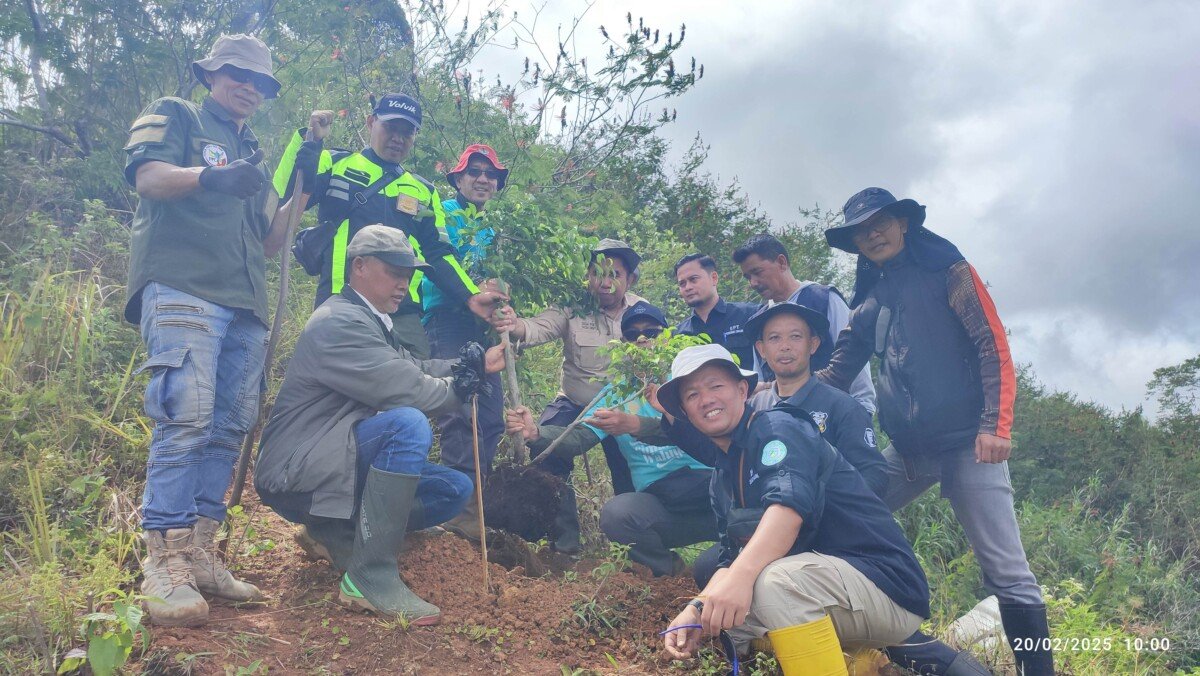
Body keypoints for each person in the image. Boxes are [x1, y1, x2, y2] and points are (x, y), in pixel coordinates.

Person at [818, 187, 1052, 674]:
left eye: (881, 222)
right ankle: (901, 643)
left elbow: (993, 346)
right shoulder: (871, 296)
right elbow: (839, 369)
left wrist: (996, 425)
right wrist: (775, 395)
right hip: (905, 452)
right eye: (862, 230)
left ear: (905, 224)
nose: (873, 234)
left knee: (1007, 573)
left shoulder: (951, 272)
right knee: (833, 518)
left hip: (970, 445)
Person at [124, 34, 292, 626]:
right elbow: (148, 178)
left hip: (245, 304)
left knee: (227, 428)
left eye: (261, 82)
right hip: (184, 286)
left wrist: (303, 197)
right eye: (237, 74)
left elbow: (271, 243)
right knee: (184, 420)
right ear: (212, 74)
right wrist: (207, 176)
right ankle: (162, 563)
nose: (249, 86)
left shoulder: (255, 152)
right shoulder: (176, 113)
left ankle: (199, 555)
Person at [254, 226, 504, 624]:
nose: (404, 284)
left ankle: (334, 534)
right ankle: (368, 577)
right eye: (394, 272)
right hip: (297, 472)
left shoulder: (371, 320)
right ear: (360, 266)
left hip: (336, 458)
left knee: (453, 489)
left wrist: (470, 367)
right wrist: (459, 387)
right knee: (405, 424)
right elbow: (409, 390)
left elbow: (414, 367)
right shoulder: (338, 322)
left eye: (409, 274)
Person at [655, 345, 929, 674]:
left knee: (775, 584)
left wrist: (740, 581)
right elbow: (730, 559)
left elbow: (788, 510)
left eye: (716, 386)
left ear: (742, 390)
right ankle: (859, 663)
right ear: (686, 412)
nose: (706, 399)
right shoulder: (722, 479)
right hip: (826, 588)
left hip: (885, 586)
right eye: (692, 395)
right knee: (723, 620)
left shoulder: (778, 430)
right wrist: (696, 609)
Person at [273, 94, 505, 358]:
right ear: (371, 122)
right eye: (391, 127)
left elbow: (438, 253)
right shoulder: (335, 163)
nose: (398, 137)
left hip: (402, 313)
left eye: (407, 132)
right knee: (338, 391)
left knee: (414, 389)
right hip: (340, 300)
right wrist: (305, 141)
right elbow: (283, 195)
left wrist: (471, 295)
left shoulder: (423, 190)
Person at [504, 302, 716, 576]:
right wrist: (536, 433)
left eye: (651, 332)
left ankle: (740, 559)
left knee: (746, 496)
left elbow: (706, 429)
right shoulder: (615, 394)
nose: (641, 339)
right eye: (632, 334)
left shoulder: (686, 382)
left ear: (666, 337)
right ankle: (673, 577)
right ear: (622, 343)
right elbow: (579, 437)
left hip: (710, 489)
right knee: (617, 515)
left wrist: (636, 425)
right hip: (662, 500)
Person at [490, 239, 645, 553]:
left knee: (631, 469)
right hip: (575, 401)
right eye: (597, 272)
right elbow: (538, 327)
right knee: (546, 451)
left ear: (630, 280)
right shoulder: (572, 306)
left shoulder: (643, 312)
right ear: (587, 275)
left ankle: (636, 550)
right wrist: (514, 323)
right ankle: (565, 546)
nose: (605, 282)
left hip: (624, 406)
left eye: (615, 274)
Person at [422, 144, 509, 541]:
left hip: (485, 324)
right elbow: (437, 257)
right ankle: (457, 508)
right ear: (458, 178)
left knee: (490, 415)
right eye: (474, 171)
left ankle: (472, 501)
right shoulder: (442, 211)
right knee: (459, 407)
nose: (482, 179)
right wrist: (474, 291)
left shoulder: (498, 225)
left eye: (490, 174)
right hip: (448, 316)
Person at [732, 233, 876, 413]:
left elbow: (855, 354)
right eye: (747, 277)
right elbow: (759, 377)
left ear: (782, 262)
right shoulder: (759, 320)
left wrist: (864, 407)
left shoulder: (824, 299)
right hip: (783, 424)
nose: (753, 283)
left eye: (757, 272)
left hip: (834, 416)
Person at [672, 253, 759, 368]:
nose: (688, 287)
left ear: (714, 278)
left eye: (693, 279)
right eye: (682, 284)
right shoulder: (679, 334)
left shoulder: (750, 315)